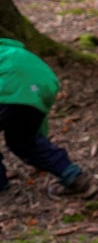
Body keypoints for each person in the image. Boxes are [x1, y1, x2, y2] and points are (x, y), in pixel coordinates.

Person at [0, 37, 93, 197]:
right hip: (44, 86)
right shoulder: (16, 53)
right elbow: (34, 110)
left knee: (23, 140)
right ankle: (73, 177)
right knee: (24, 141)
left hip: (8, 88)